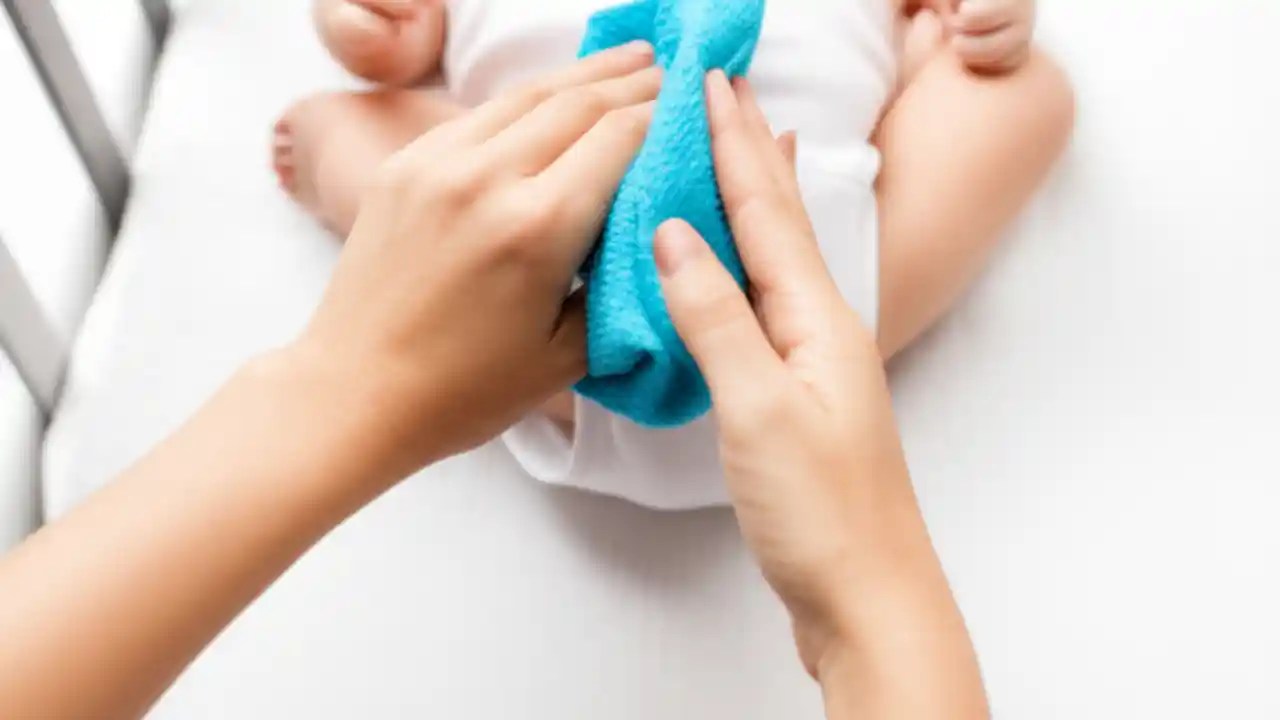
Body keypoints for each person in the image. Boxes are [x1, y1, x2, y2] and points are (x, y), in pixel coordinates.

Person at [0, 53, 987, 719]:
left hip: (776, 274)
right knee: (417, 152)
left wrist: (968, 36)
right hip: (776, 336)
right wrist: (864, 597)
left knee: (999, 97)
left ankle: (385, 264)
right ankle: (384, 243)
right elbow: (394, 46)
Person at [273, 0, 1074, 510]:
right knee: (392, 147)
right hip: (547, 298)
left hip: (812, 309)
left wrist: (977, 23)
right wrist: (374, 27)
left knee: (1020, 87)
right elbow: (402, 36)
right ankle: (336, 157)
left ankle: (348, 158)